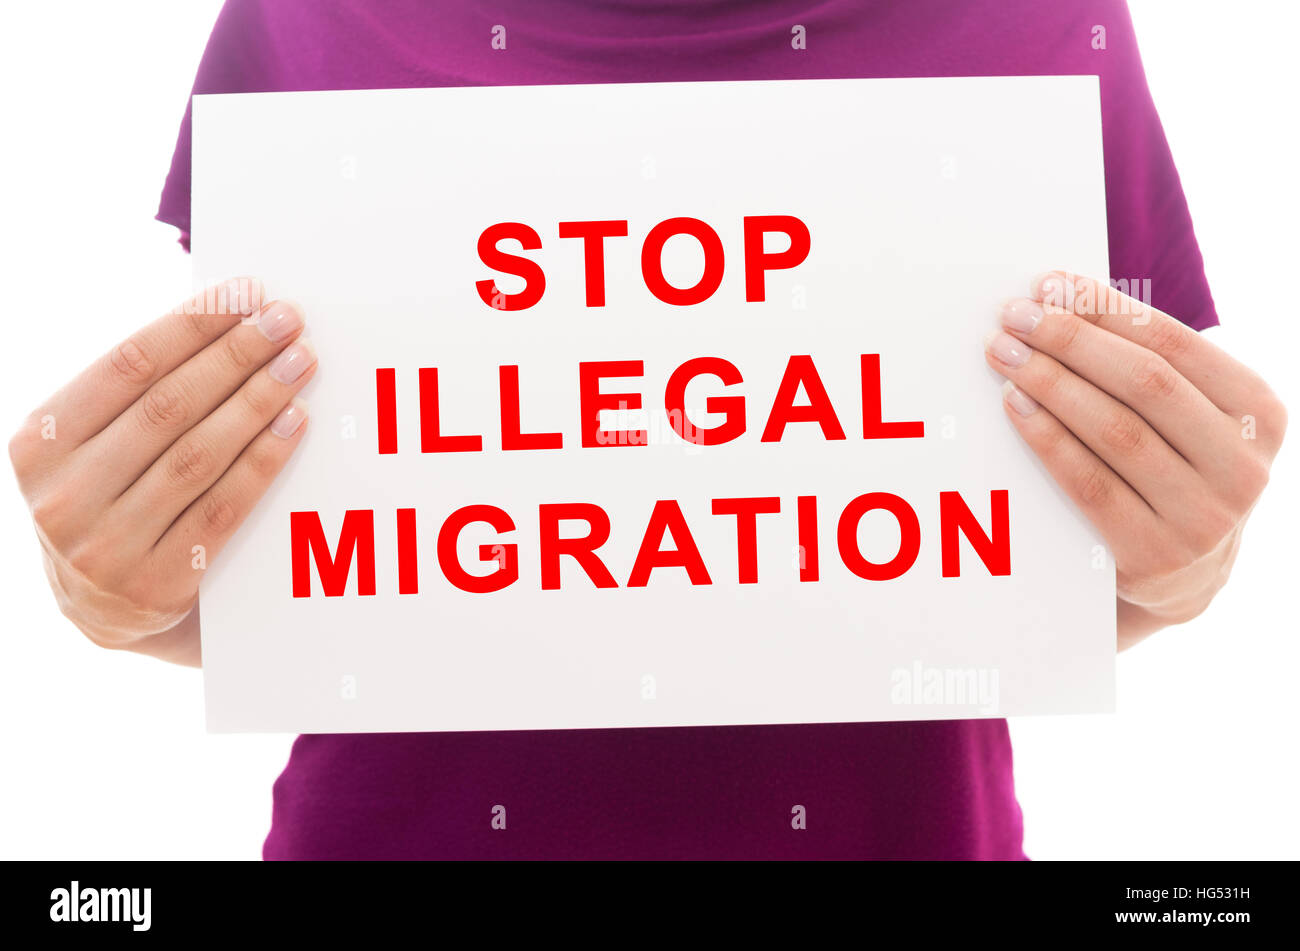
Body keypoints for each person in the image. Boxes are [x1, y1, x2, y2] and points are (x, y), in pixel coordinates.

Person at [8, 0, 1285, 859]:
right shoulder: (305, 14)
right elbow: (324, 558)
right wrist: (130, 602)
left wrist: (1173, 579)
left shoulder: (1044, 20)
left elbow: (1028, 575)